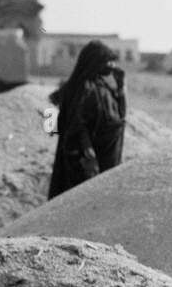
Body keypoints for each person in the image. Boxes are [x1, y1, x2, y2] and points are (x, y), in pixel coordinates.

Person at [47, 40, 127, 199]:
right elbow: (77, 129)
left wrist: (121, 87)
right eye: (107, 62)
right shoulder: (86, 89)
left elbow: (120, 118)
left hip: (107, 161)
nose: (111, 66)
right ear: (96, 63)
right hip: (90, 166)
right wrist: (89, 159)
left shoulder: (103, 88)